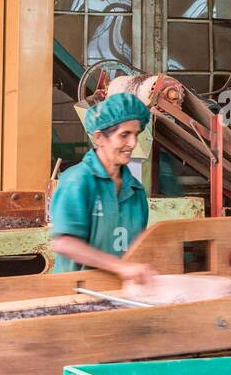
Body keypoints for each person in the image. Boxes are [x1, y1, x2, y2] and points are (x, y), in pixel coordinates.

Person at [49, 92, 156, 284]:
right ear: (99, 138)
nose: (132, 143)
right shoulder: (77, 181)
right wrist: (120, 267)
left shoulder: (135, 191)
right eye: (124, 135)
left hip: (121, 293)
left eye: (135, 134)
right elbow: (64, 243)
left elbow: (134, 248)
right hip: (76, 295)